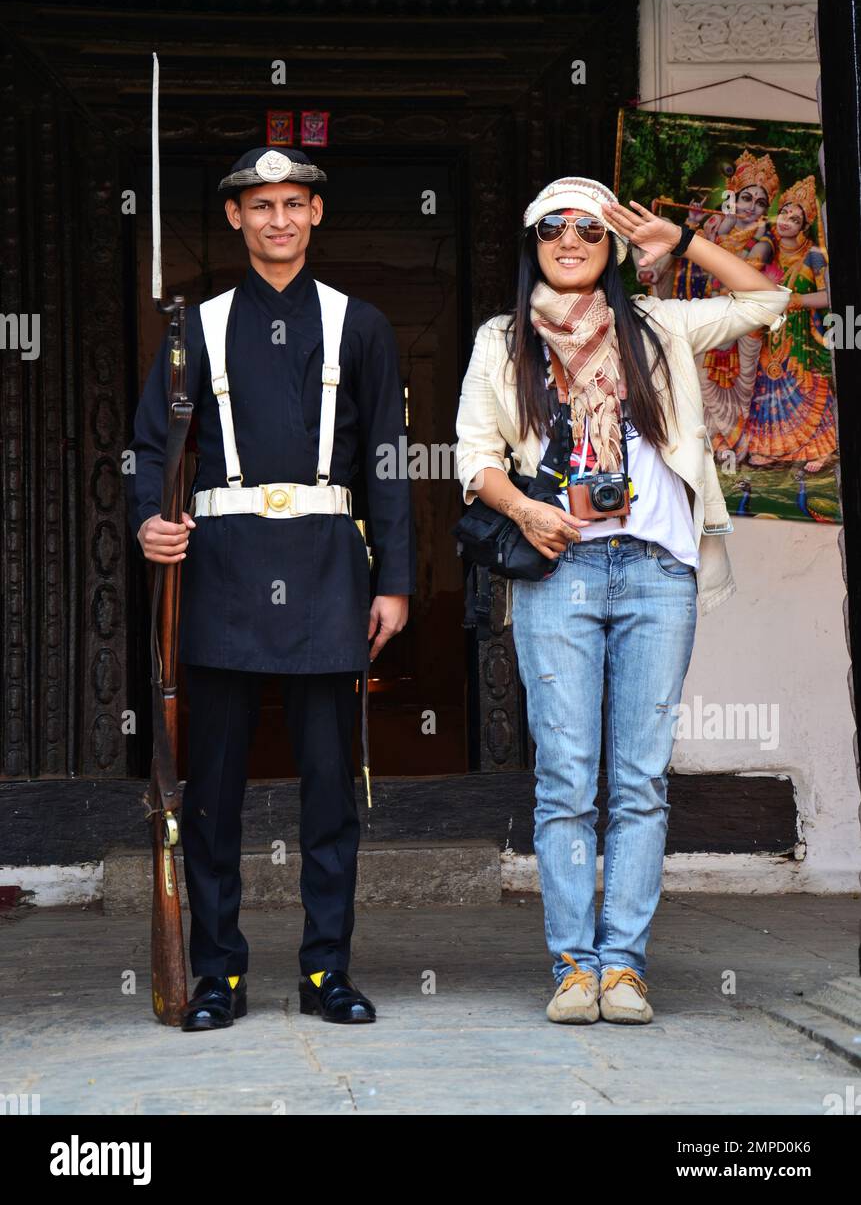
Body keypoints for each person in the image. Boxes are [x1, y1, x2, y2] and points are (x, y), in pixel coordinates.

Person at [455, 176, 790, 1026]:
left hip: (655, 571)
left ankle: (624, 968)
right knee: (566, 778)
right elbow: (473, 456)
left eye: (590, 229)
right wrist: (527, 510)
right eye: (552, 228)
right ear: (531, 242)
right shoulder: (502, 339)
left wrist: (680, 246)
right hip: (559, 570)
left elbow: (767, 297)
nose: (571, 240)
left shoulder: (656, 323)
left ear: (610, 249)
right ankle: (573, 966)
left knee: (638, 781)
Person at [127, 146, 415, 1029]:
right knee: (210, 795)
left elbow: (387, 465)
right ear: (235, 219)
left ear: (316, 215)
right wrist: (149, 519)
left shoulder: (359, 324)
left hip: (330, 569)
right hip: (219, 573)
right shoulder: (194, 328)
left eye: (294, 204)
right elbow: (148, 448)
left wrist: (395, 581)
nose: (278, 220)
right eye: (261, 206)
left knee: (330, 791)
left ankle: (326, 972)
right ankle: (218, 976)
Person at [741, 176, 836, 474]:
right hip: (771, 333)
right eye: (784, 214)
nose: (787, 221)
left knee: (806, 391)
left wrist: (796, 300)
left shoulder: (814, 256)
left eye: (795, 219)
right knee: (768, 389)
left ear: (804, 227)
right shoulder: (768, 247)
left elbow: (831, 295)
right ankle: (774, 450)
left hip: (803, 337)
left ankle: (821, 448)